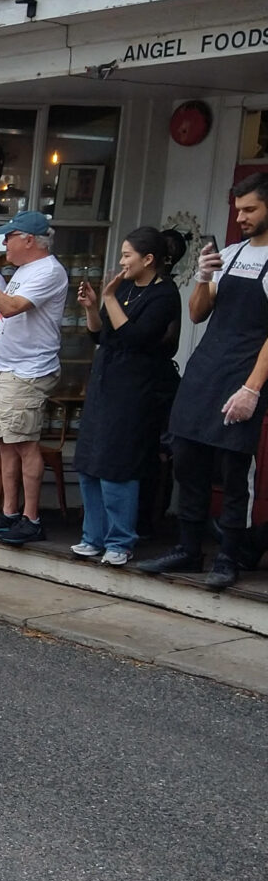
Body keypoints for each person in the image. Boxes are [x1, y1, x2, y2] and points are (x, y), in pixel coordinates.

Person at [139, 176, 268, 590]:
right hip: (204, 370)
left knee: (233, 470)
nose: (241, 217)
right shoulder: (230, 254)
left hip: (245, 373)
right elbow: (197, 315)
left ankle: (230, 557)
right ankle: (188, 549)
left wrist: (252, 389)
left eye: (250, 209)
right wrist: (202, 277)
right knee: (188, 459)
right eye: (238, 209)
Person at [70, 227, 184, 568]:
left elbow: (135, 337)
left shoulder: (165, 294)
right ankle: (93, 536)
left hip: (135, 389)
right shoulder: (127, 289)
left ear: (148, 259)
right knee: (90, 462)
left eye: (126, 255)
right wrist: (93, 307)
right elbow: (101, 335)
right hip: (105, 381)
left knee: (118, 465)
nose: (121, 262)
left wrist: (107, 297)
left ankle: (121, 540)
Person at [0, 211, 70, 546]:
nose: (3, 242)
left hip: (28, 370)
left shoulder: (49, 271)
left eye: (9, 236)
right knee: (3, 444)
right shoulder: (24, 270)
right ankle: (8, 513)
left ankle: (31, 518)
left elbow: (9, 307)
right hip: (7, 368)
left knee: (24, 443)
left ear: (29, 240)